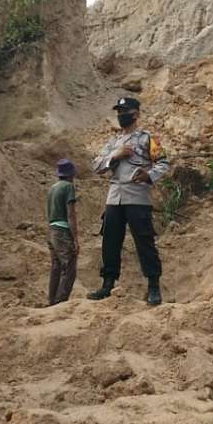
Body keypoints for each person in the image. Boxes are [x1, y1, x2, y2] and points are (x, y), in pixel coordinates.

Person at [89, 97, 170, 305]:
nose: (120, 115)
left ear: (135, 114)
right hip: (115, 196)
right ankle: (107, 284)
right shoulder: (113, 142)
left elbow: (163, 163)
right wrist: (116, 155)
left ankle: (153, 286)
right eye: (118, 112)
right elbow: (97, 166)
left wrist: (149, 175)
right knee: (110, 240)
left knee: (144, 241)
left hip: (137, 196)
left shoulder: (147, 138)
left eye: (124, 111)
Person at [45, 159, 79, 305]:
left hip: (51, 229)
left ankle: (51, 300)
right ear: (71, 174)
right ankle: (61, 302)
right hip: (63, 230)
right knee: (70, 267)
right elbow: (70, 214)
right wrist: (75, 238)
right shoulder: (68, 187)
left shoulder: (52, 188)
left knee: (56, 267)